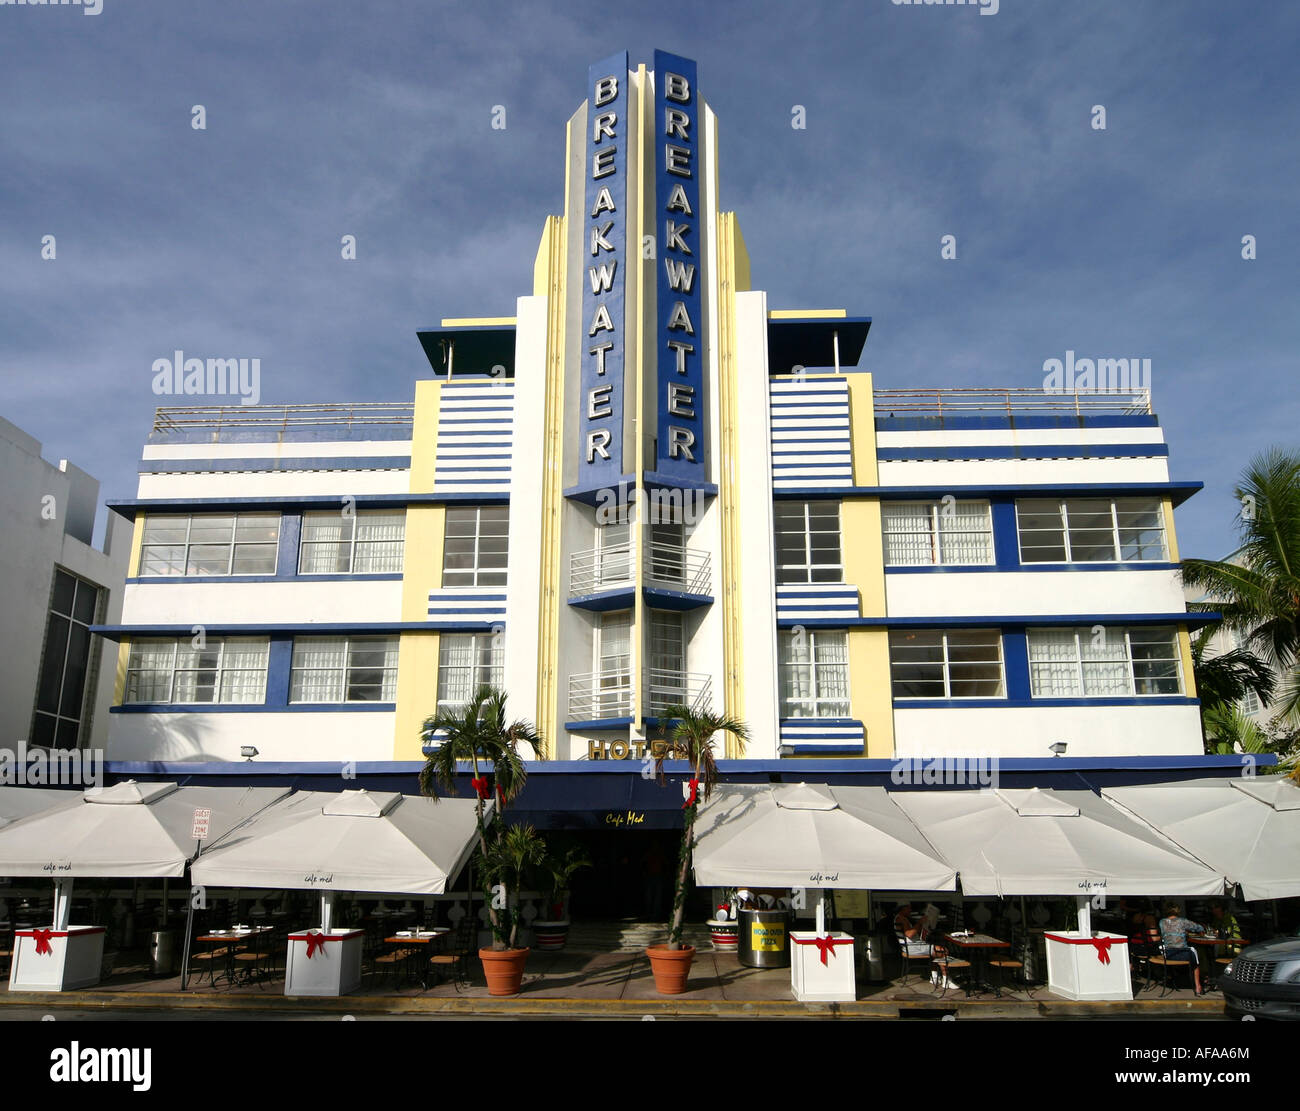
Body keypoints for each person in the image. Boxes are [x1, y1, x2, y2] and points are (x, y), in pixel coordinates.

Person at [1158, 902, 1205, 995]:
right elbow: (1198, 928)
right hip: (1183, 954)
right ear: (1178, 911)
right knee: (1195, 957)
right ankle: (1198, 986)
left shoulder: (1162, 922)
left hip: (1168, 954)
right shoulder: (1182, 921)